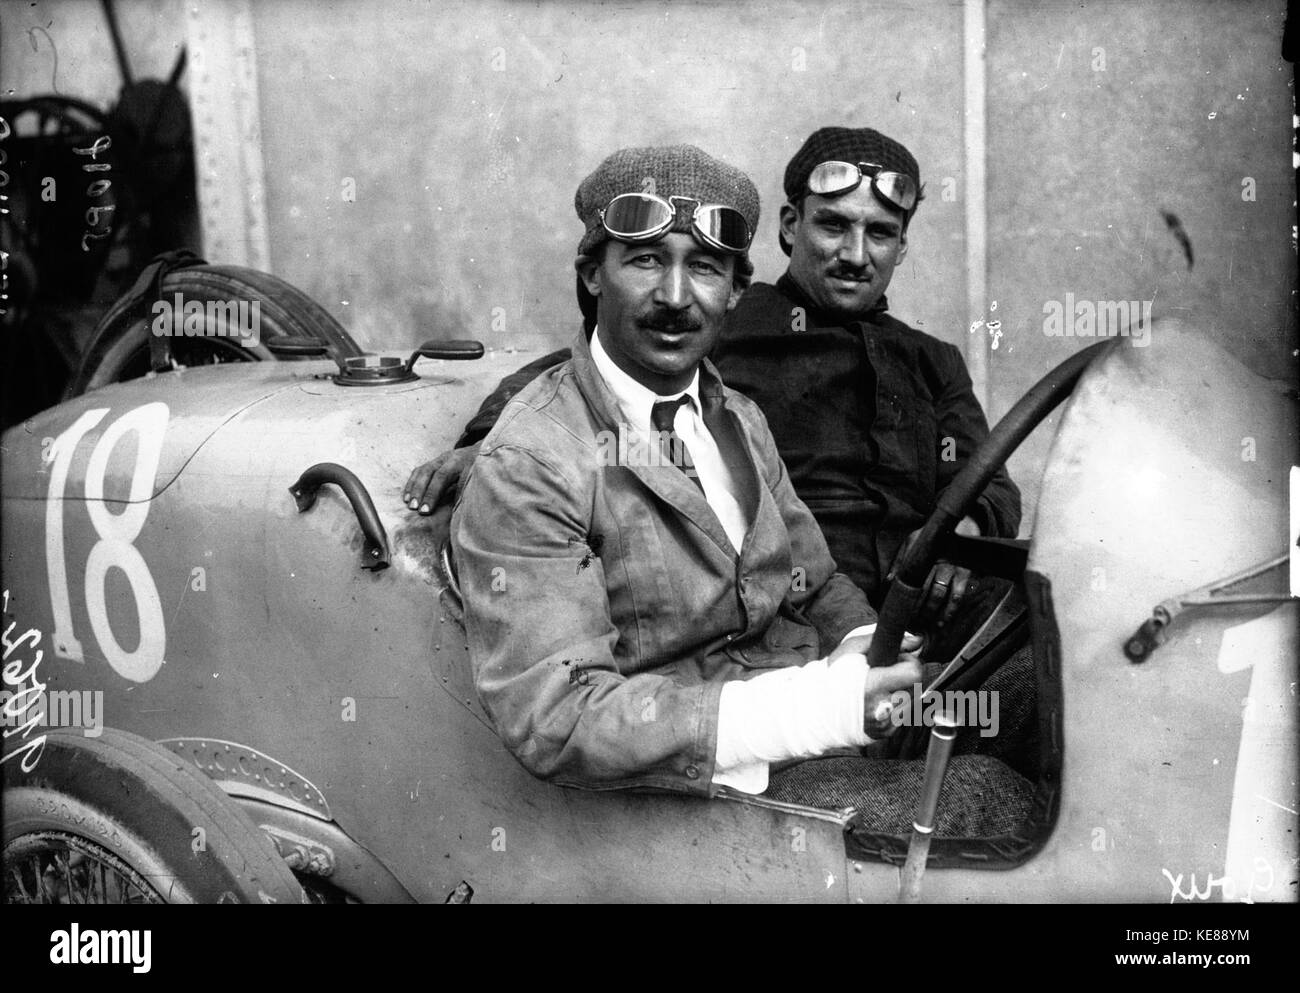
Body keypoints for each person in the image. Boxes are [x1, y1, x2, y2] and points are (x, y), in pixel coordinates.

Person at [449, 145, 1032, 834]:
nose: (674, 296)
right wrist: (828, 708)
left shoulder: (735, 417)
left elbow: (813, 584)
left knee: (1049, 691)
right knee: (993, 801)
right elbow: (558, 717)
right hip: (707, 782)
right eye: (644, 259)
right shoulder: (533, 460)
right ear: (592, 274)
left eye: (703, 266)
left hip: (816, 713)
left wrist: (864, 642)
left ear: (734, 289)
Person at [410, 127, 1020, 661]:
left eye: (880, 233)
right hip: (799, 618)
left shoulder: (934, 360)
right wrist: (481, 442)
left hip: (933, 613)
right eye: (834, 225)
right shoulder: (719, 317)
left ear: (901, 248)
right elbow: (582, 363)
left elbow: (988, 478)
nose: (855, 255)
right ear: (790, 228)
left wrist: (960, 535)